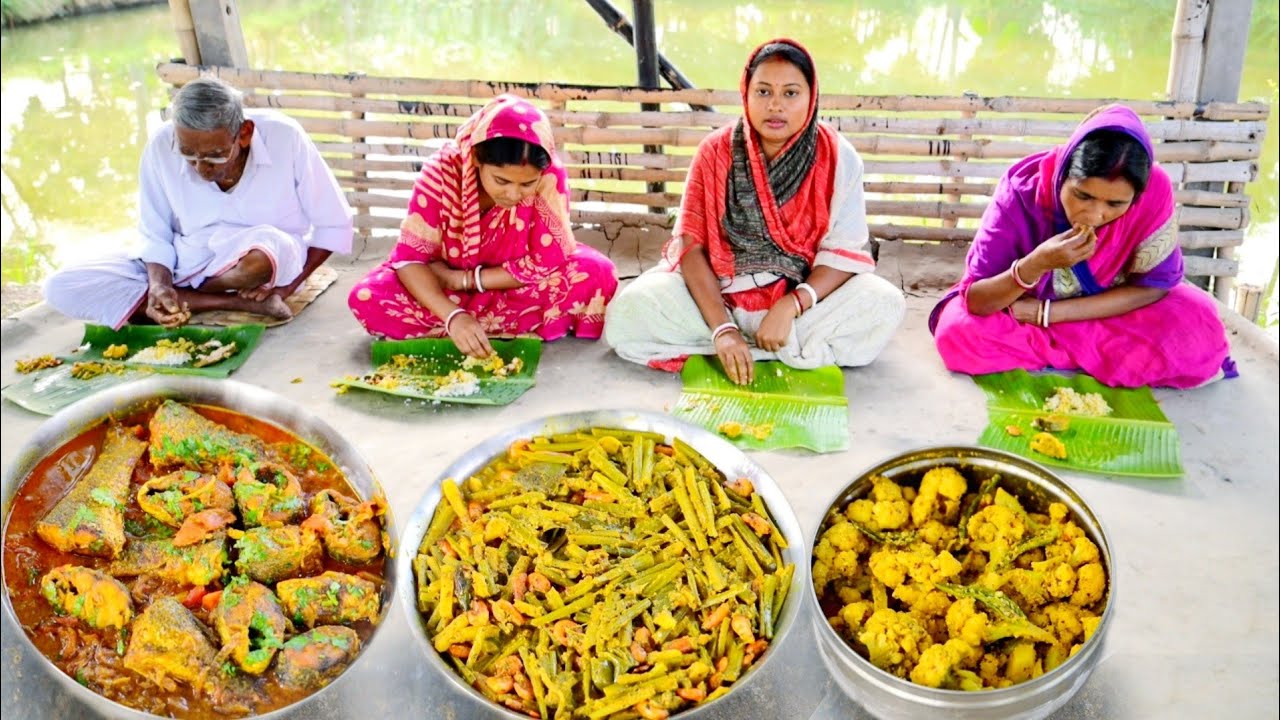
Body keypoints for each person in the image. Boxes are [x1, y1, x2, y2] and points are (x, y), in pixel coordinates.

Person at [602, 39, 905, 385]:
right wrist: (723, 328)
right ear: (746, 93)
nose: (775, 105)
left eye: (790, 93)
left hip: (798, 305)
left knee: (885, 304)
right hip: (718, 301)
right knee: (629, 312)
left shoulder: (838, 157)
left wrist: (791, 306)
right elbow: (691, 248)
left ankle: (753, 346)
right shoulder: (713, 152)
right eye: (763, 91)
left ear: (812, 97)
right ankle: (756, 348)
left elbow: (844, 253)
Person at [929, 104, 1235, 389]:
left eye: (1115, 204)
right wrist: (1035, 264)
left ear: (1136, 197)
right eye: (1082, 196)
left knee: (1200, 329)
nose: (1095, 215)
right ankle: (1107, 358)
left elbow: (1153, 288)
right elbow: (978, 300)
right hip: (1019, 304)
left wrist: (1046, 314)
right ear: (1063, 175)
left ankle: (1064, 353)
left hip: (1101, 308)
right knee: (958, 333)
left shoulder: (1155, 190)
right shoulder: (1022, 191)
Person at [43, 76, 353, 329]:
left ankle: (186, 297)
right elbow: (154, 232)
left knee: (266, 250)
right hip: (185, 260)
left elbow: (332, 224)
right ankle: (230, 301)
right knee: (62, 287)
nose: (202, 168)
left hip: (266, 257)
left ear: (244, 134)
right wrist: (160, 284)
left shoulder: (285, 137)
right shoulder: (161, 145)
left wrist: (287, 288)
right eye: (189, 155)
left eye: (216, 155)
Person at [347, 94, 618, 358]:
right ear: (476, 157)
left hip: (510, 280)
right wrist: (453, 315)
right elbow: (409, 260)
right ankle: (475, 324)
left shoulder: (550, 175)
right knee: (367, 296)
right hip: (444, 286)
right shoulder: (441, 173)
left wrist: (464, 281)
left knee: (598, 272)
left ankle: (467, 325)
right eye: (501, 181)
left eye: (526, 184)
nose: (513, 195)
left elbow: (549, 258)